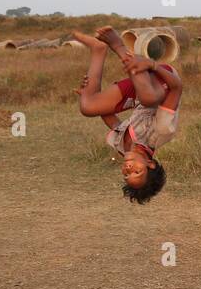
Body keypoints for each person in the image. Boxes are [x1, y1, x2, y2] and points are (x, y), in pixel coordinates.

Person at [74, 27, 183, 204]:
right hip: (162, 80)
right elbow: (177, 88)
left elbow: (110, 119)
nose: (128, 169)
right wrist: (152, 65)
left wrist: (89, 94)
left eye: (126, 175)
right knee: (148, 99)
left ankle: (98, 50)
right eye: (137, 171)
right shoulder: (161, 132)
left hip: (138, 92)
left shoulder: (121, 146)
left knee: (87, 107)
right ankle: (117, 43)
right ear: (151, 165)